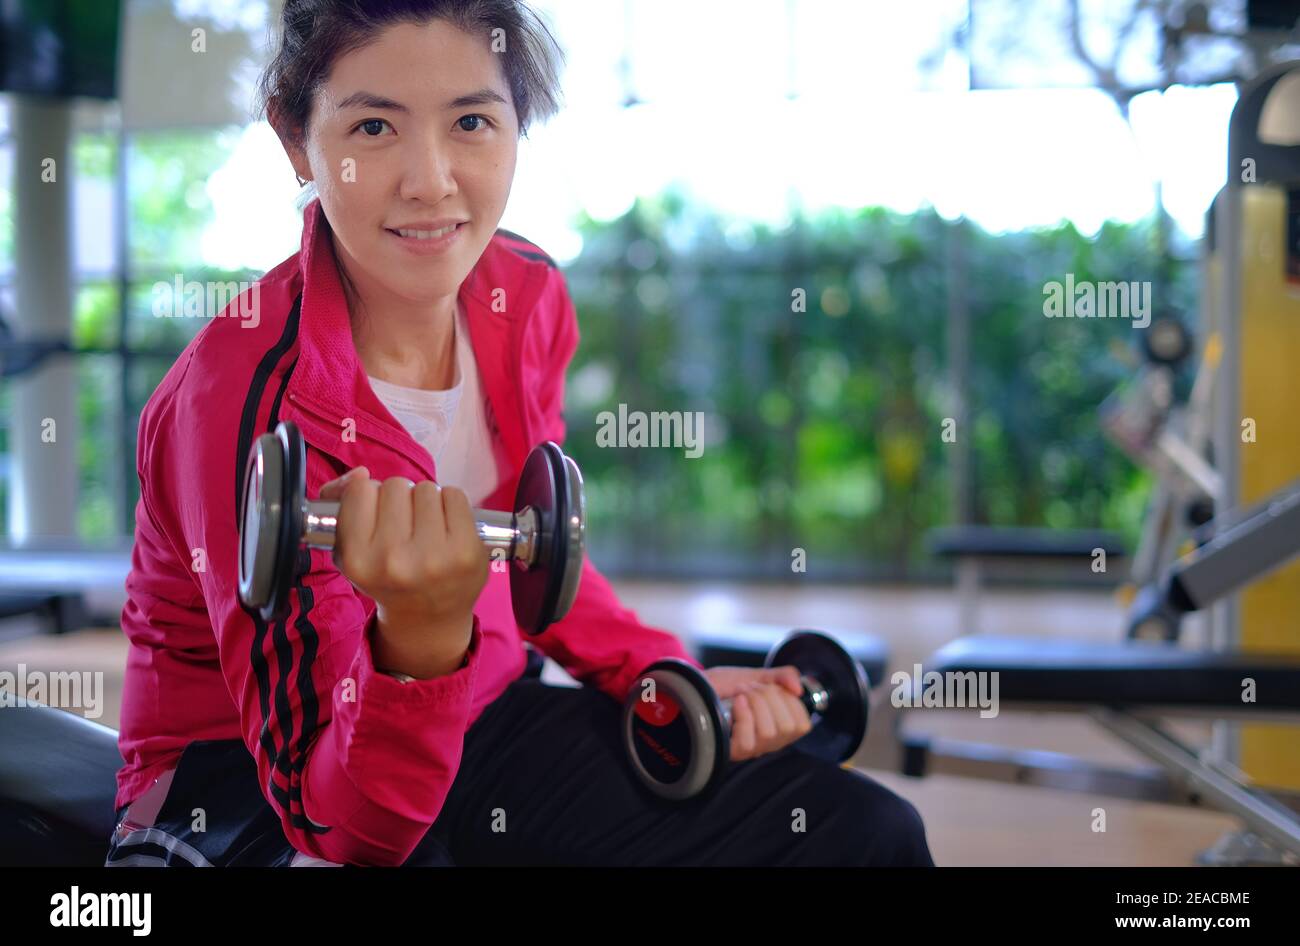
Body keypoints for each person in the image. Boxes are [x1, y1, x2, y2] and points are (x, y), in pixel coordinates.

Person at [106, 0, 934, 867]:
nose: (430, 182)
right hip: (250, 780)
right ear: (295, 140)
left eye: (471, 121)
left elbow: (543, 558)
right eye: (375, 126)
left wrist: (669, 678)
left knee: (865, 836)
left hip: (478, 709)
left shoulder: (523, 295)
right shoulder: (239, 395)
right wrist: (419, 640)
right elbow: (344, 828)